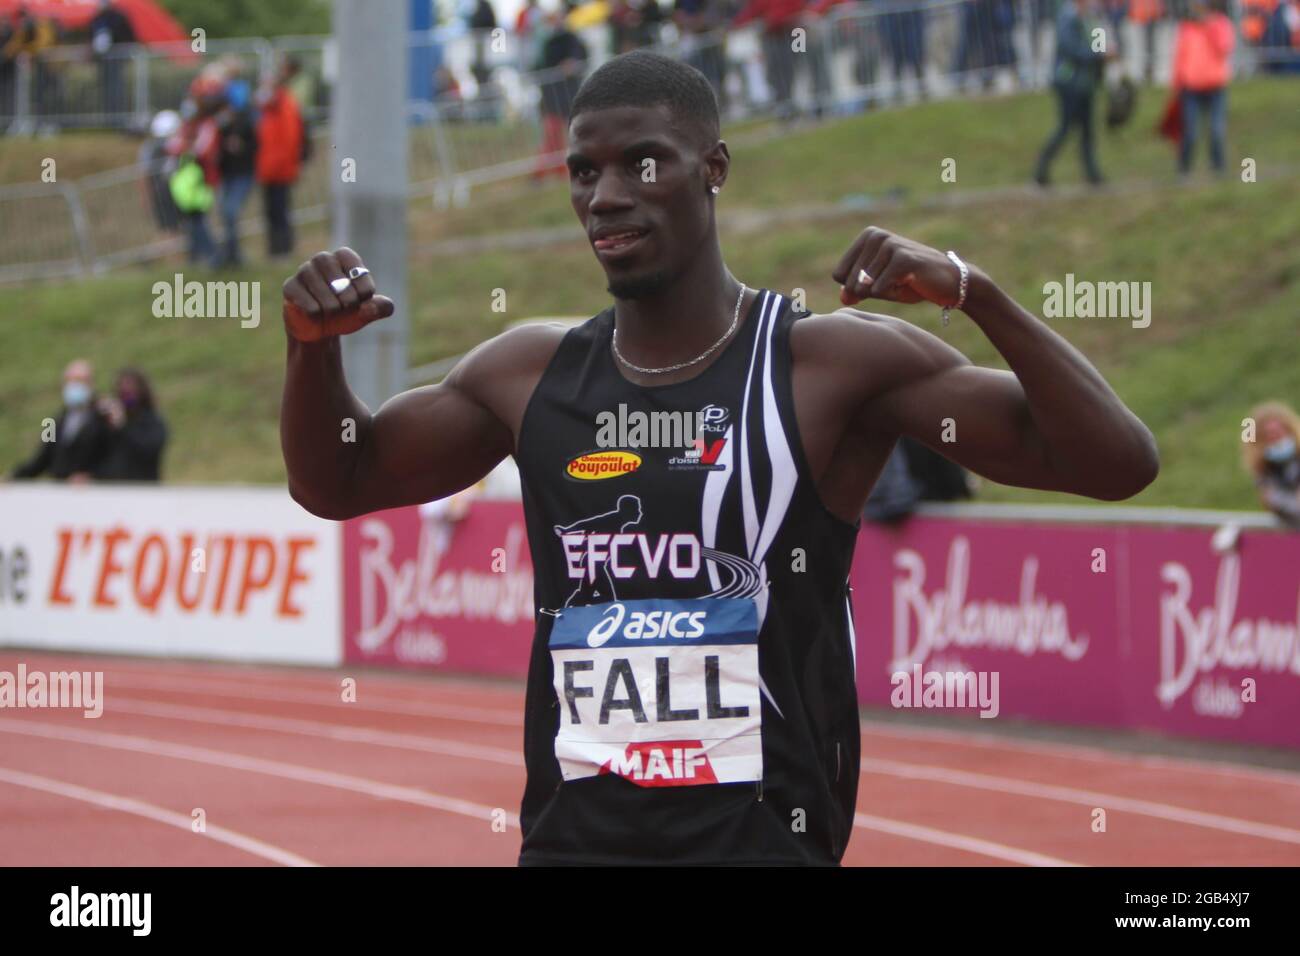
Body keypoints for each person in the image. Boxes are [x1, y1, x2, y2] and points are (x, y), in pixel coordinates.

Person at [278, 50, 1158, 865]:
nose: (607, 195)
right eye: (585, 171)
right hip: (572, 848)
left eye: (643, 163)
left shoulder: (830, 367)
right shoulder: (526, 377)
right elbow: (339, 482)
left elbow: (1115, 461)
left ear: (715, 169)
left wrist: (976, 292)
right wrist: (311, 350)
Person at [1034, 0, 1115, 187]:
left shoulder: (1090, 18)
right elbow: (1071, 48)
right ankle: (1041, 169)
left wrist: (1105, 52)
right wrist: (1099, 55)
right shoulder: (1067, 17)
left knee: (1088, 131)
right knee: (1064, 128)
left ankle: (1093, 175)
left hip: (1086, 84)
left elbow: (1098, 43)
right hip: (1069, 83)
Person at [10, 360, 110, 483]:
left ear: (91, 384)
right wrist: (12, 477)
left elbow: (112, 457)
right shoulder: (52, 422)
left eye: (80, 381)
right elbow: (41, 458)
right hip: (60, 492)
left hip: (93, 493)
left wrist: (92, 476)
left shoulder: (104, 419)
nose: (75, 386)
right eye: (71, 381)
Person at [1171, 0, 1233, 176]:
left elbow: (1224, 48)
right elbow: (1180, 57)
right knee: (1191, 133)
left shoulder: (1221, 24)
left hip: (1215, 86)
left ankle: (1218, 169)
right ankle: (1183, 169)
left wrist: (1210, 26)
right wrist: (1177, 83)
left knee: (1217, 131)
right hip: (1191, 88)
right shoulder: (1187, 28)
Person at [256, 56, 305, 259]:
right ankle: (275, 249)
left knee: (280, 211)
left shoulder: (285, 106)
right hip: (270, 168)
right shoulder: (273, 109)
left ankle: (283, 250)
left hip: (279, 169)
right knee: (272, 212)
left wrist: (283, 166)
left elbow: (289, 141)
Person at [533, 9, 589, 181]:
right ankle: (546, 170)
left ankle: (563, 168)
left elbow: (580, 57)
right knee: (552, 133)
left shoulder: (570, 38)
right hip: (552, 95)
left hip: (567, 94)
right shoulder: (546, 41)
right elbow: (539, 66)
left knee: (569, 133)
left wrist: (572, 64)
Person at [215, 59, 258, 267]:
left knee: (230, 211)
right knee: (225, 213)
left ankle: (233, 255)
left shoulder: (247, 118)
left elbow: (256, 144)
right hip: (227, 172)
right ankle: (229, 254)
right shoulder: (219, 117)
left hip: (243, 173)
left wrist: (241, 147)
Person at [95, 368, 168, 482]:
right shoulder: (107, 420)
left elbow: (148, 449)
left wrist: (123, 427)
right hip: (108, 488)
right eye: (122, 388)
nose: (126, 393)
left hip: (140, 488)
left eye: (130, 389)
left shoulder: (152, 421)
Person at [1243, 402, 1300, 526]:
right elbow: (1273, 499)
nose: (1276, 440)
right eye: (1269, 436)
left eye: (1279, 433)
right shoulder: (1264, 471)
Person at [89, 0, 136, 123]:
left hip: (117, 59)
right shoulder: (97, 19)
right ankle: (109, 117)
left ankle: (119, 117)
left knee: (117, 89)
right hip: (103, 61)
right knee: (106, 89)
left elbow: (128, 36)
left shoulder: (118, 18)